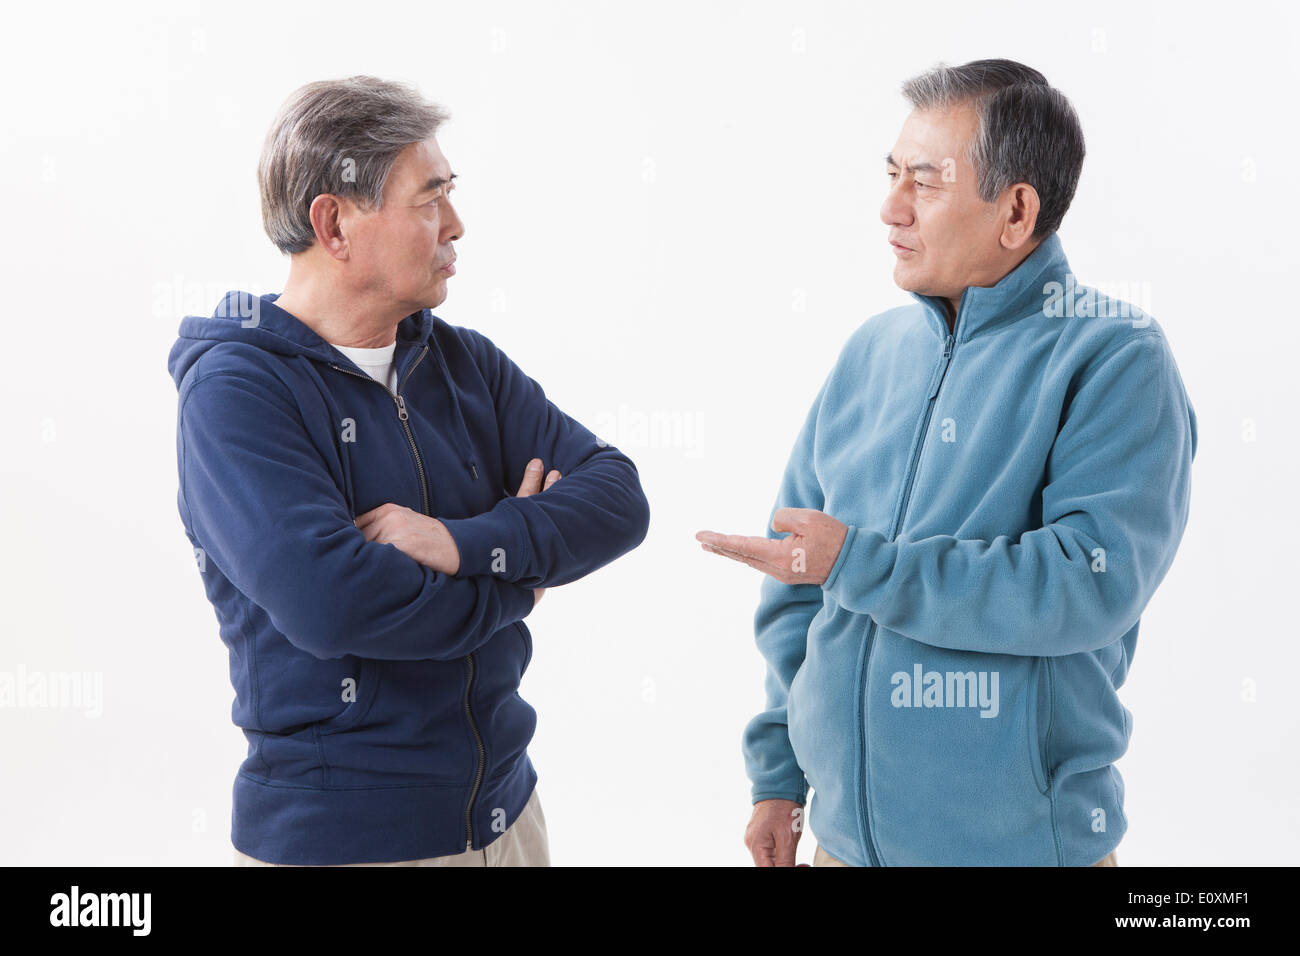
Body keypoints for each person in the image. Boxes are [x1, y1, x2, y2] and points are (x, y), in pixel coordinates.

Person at [697, 59, 1197, 867]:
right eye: (891, 174)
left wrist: (860, 566)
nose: (889, 207)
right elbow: (798, 585)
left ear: (1017, 210)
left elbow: (1086, 582)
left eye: (924, 183)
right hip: (841, 851)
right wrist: (778, 778)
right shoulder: (872, 353)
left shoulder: (1114, 357)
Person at [167, 76, 650, 867]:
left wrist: (463, 544)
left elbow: (618, 498)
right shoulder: (237, 393)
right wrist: (516, 583)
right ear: (335, 224)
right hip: (349, 846)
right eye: (430, 199)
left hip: (510, 819)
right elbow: (332, 604)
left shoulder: (462, 363)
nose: (456, 225)